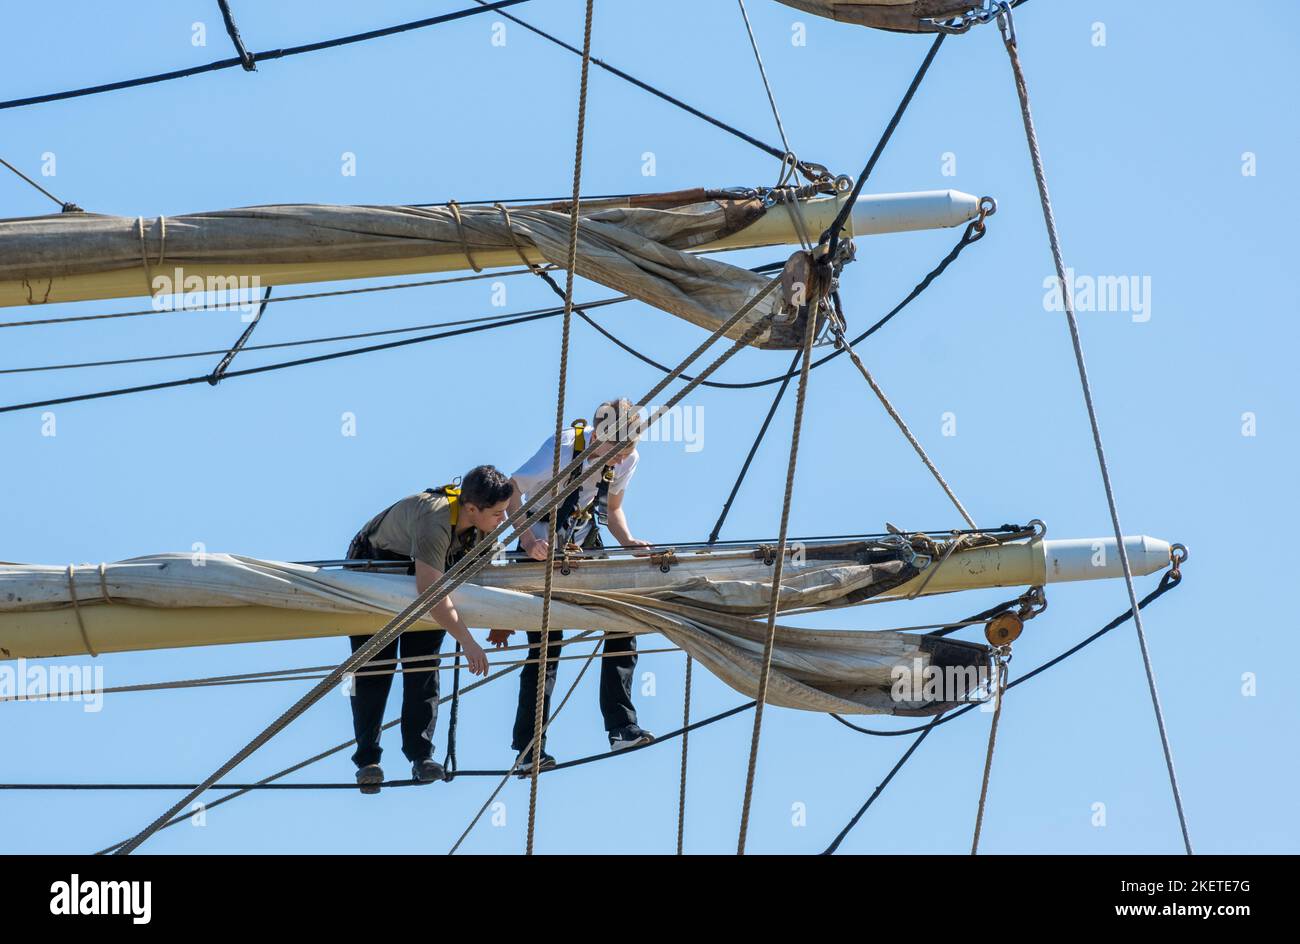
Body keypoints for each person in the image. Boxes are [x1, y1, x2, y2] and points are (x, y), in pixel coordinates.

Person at [490, 399, 656, 775]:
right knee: (546, 647)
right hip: (540, 540)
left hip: (583, 541)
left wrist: (628, 541)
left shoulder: (627, 458)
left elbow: (612, 511)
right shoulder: (561, 448)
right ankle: (529, 748)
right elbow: (513, 491)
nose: (616, 462)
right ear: (596, 435)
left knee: (622, 620)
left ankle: (621, 727)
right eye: (611, 453)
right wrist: (529, 541)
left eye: (625, 454)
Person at [345, 465, 511, 794]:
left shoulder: (484, 528)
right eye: (497, 514)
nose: (502, 521)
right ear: (472, 509)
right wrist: (468, 641)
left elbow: (495, 574)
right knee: (374, 670)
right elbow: (430, 593)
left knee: (422, 666)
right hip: (375, 566)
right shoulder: (436, 520)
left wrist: (502, 619)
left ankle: (421, 756)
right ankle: (368, 761)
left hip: (423, 573)